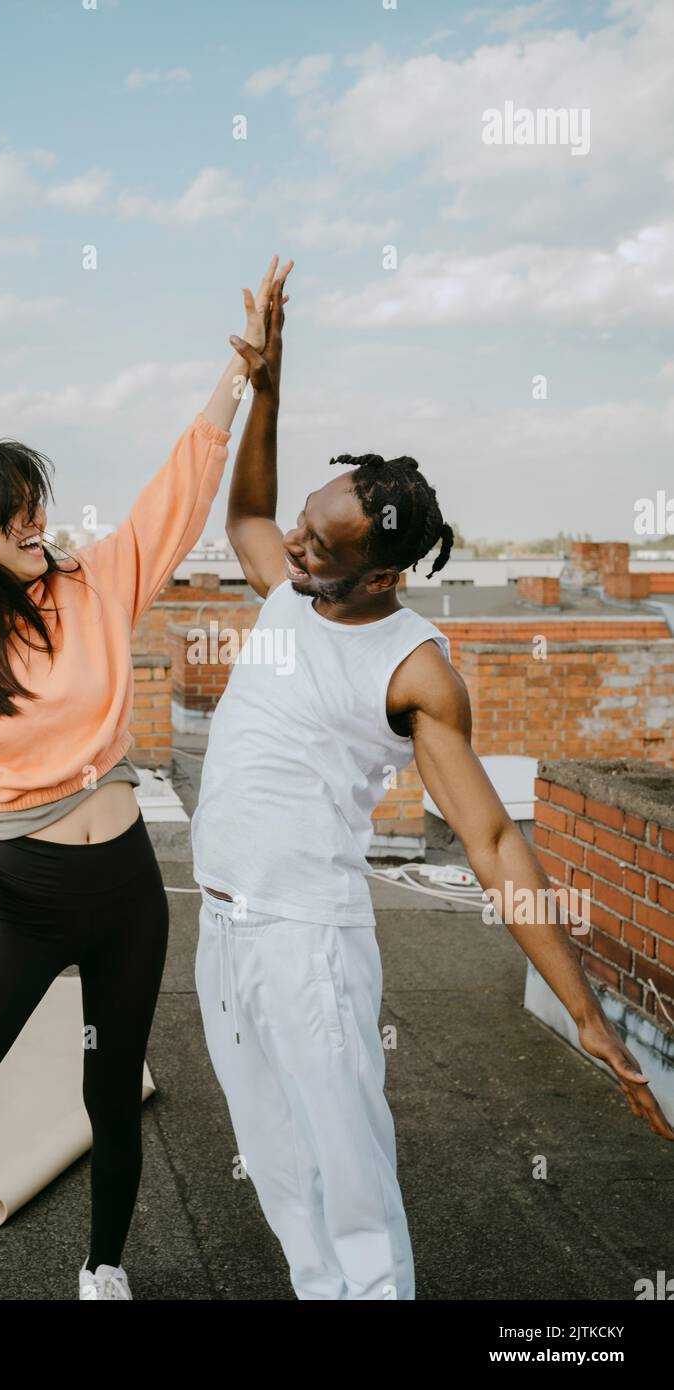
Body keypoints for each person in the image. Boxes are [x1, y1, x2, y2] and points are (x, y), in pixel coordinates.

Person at [191, 279, 674, 1303]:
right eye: (305, 524)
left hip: (306, 947)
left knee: (350, 1190)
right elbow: (242, 511)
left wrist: (585, 1009)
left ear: (382, 574)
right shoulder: (287, 589)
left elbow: (494, 841)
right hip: (222, 934)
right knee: (282, 1179)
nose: (292, 545)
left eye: (319, 543)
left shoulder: (416, 668)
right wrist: (267, 387)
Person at [0, 255, 294, 1301]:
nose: (34, 524)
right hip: (31, 897)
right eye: (9, 516)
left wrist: (238, 376)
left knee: (110, 1089)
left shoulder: (94, 585)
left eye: (34, 503)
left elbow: (177, 490)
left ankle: (102, 1267)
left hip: (128, 889)